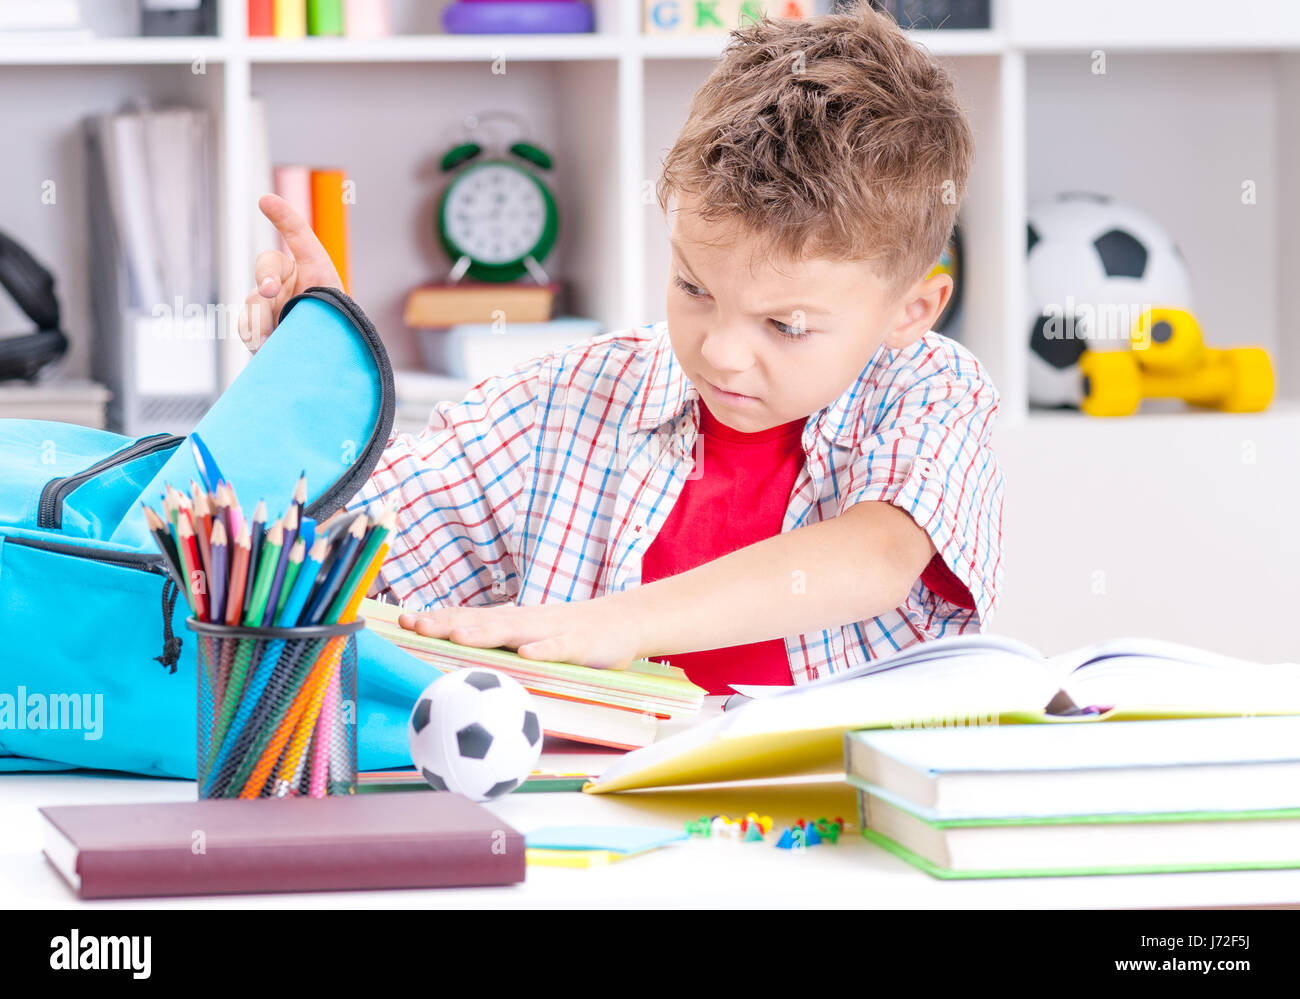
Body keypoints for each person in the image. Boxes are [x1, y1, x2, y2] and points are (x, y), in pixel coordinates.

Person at [237, 1, 1004, 695]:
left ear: (913, 310)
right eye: (694, 288)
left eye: (787, 326)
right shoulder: (571, 400)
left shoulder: (932, 387)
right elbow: (331, 551)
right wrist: (314, 377)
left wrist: (618, 622)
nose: (724, 353)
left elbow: (875, 559)